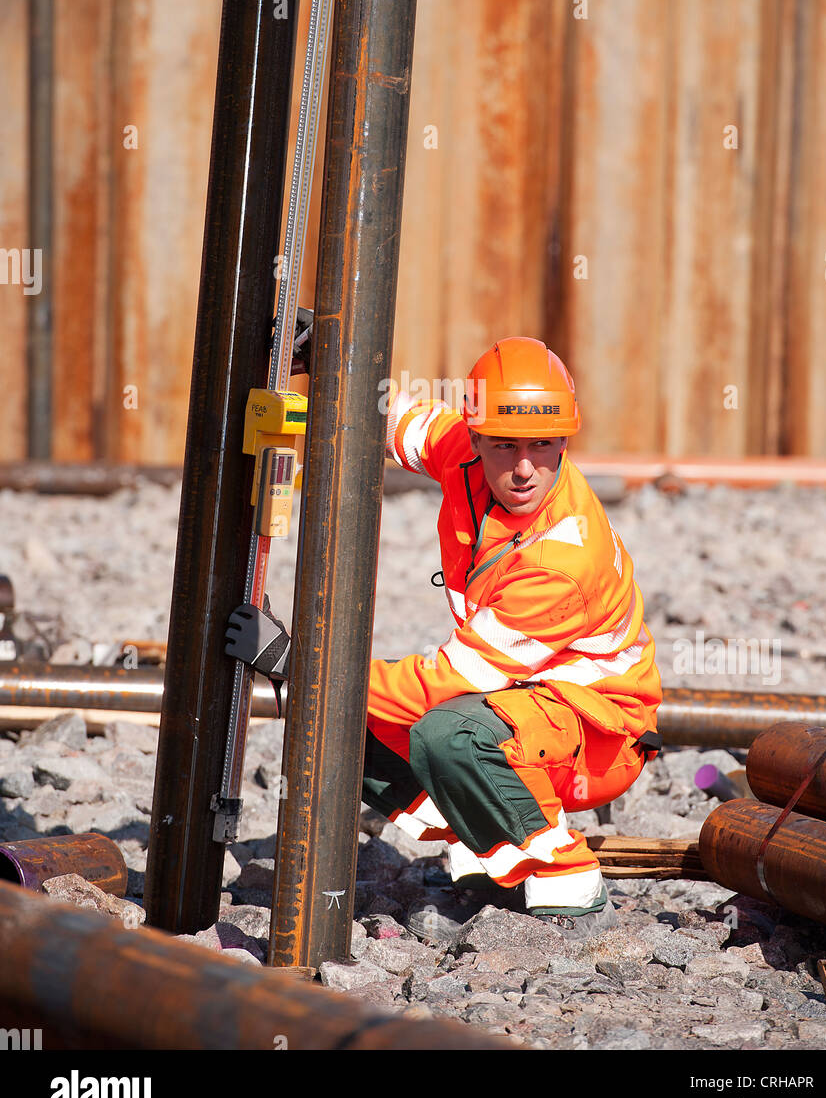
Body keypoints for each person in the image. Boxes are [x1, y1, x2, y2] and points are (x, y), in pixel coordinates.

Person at [226, 336, 662, 922]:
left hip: (598, 736)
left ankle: (566, 873)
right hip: (527, 701)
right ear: (476, 436)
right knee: (349, 712)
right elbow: (394, 419)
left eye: (544, 444)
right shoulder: (461, 451)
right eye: (505, 446)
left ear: (565, 440)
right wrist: (332, 358)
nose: (525, 466)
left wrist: (296, 661)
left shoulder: (562, 560)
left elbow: (448, 682)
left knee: (447, 732)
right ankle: (485, 846)